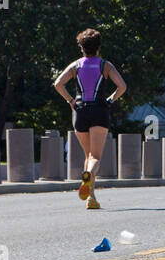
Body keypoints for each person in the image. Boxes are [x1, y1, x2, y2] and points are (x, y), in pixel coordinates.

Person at [53, 28, 126, 208]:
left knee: (87, 155)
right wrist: (110, 99)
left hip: (79, 111)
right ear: (98, 47)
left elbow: (57, 84)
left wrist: (70, 100)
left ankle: (91, 199)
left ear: (82, 48)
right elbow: (122, 86)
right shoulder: (105, 65)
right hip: (99, 110)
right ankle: (88, 178)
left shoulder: (75, 65)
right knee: (95, 157)